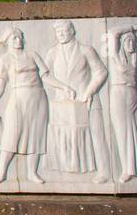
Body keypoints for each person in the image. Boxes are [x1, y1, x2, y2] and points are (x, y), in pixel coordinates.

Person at [43, 20, 109, 183]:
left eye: (64, 31)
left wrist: (88, 92)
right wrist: (62, 87)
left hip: (87, 100)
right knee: (65, 135)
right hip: (64, 102)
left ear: (72, 31)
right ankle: (66, 170)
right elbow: (44, 75)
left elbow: (101, 72)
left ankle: (104, 172)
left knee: (96, 135)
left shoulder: (86, 50)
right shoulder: (52, 53)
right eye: (58, 32)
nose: (61, 35)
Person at [0, 27, 51, 184]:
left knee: (36, 135)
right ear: (7, 40)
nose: (19, 40)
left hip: (38, 97)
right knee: (11, 134)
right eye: (15, 38)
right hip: (18, 98)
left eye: (20, 37)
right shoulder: (4, 59)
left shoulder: (32, 55)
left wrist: (64, 87)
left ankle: (32, 172)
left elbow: (46, 76)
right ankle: (2, 172)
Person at [103, 26, 137, 182]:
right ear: (122, 43)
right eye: (128, 42)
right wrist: (136, 27)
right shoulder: (115, 56)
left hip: (134, 96)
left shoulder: (135, 60)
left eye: (133, 42)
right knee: (123, 134)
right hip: (119, 96)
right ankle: (127, 170)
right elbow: (114, 32)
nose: (131, 45)